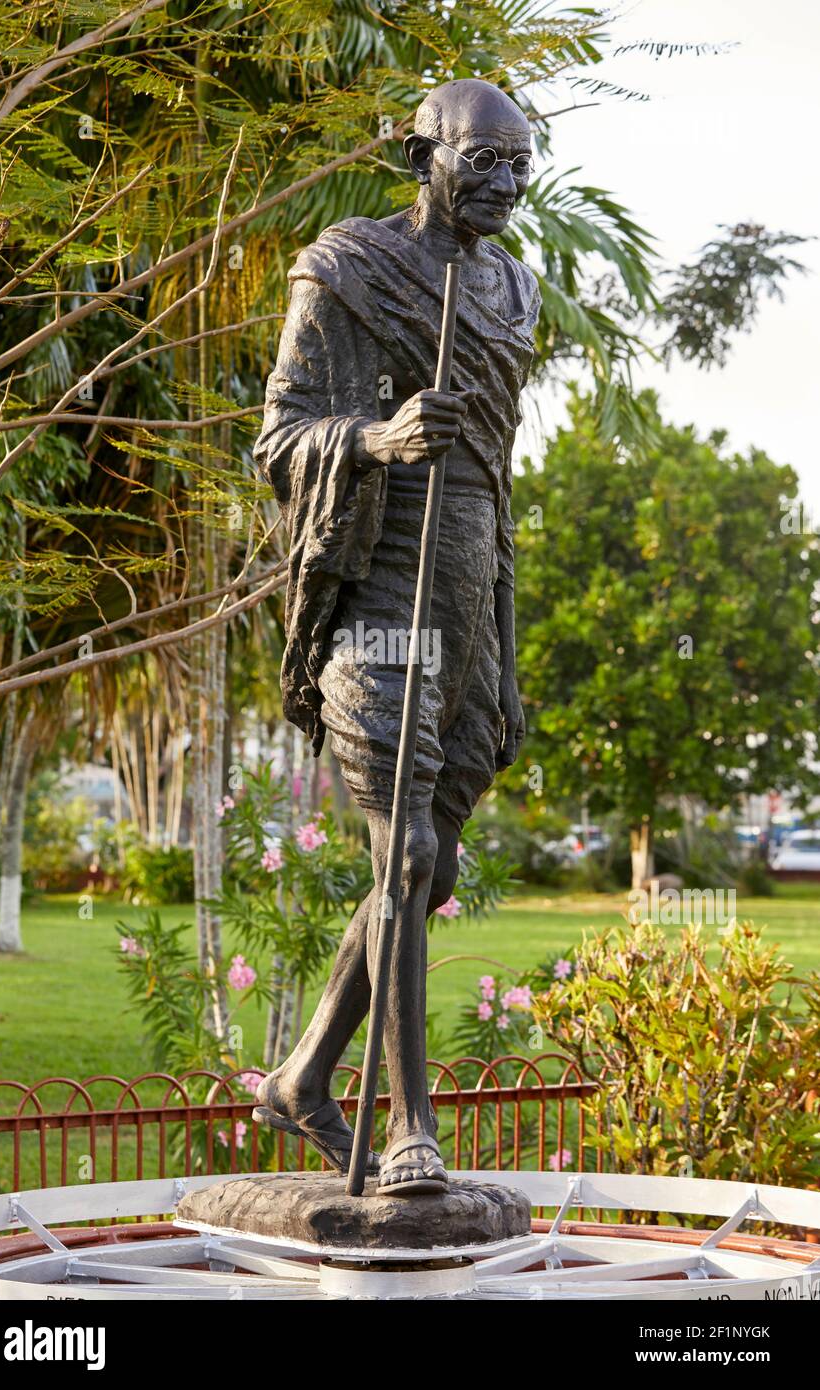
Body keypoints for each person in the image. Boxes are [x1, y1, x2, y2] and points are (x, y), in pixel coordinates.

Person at [253, 78, 541, 1196]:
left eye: (522, 165)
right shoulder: (345, 265)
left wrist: (501, 639)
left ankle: (303, 1078)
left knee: (429, 866)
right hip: (377, 578)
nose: (507, 186)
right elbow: (279, 440)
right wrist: (376, 433)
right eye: (484, 164)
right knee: (402, 849)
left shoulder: (514, 287)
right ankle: (413, 1126)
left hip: (469, 581)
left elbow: (500, 480)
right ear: (422, 154)